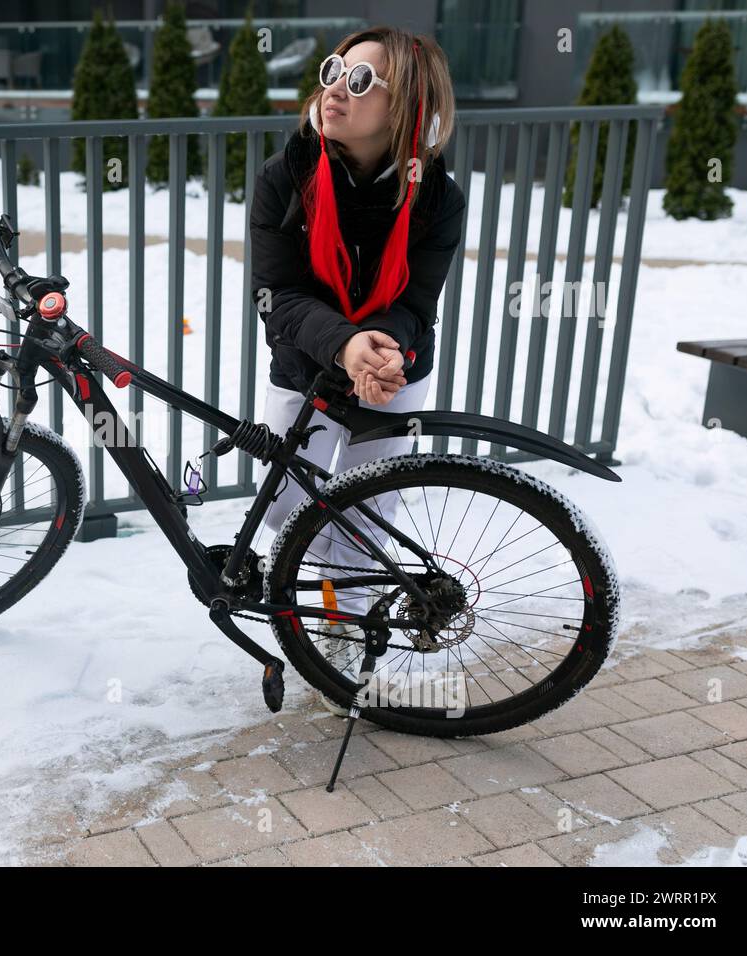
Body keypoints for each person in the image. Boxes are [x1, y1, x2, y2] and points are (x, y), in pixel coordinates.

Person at [249, 26, 466, 706]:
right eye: (337, 68)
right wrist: (344, 344)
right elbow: (277, 297)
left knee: (364, 518)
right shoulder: (285, 176)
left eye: (363, 80)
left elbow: (415, 302)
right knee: (290, 505)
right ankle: (331, 597)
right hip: (303, 366)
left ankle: (348, 624)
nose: (336, 86)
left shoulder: (437, 197)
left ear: (405, 108)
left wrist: (384, 352)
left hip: (392, 372)